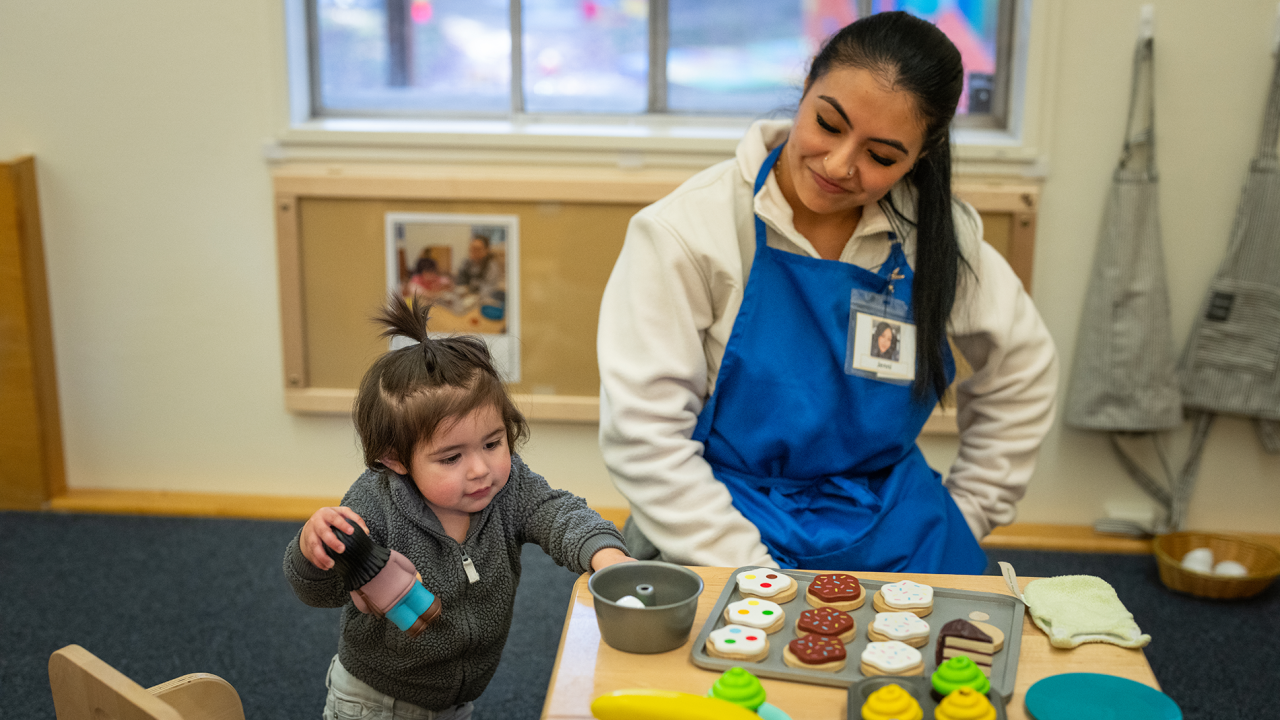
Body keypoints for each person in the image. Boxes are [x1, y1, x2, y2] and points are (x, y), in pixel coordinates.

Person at [597, 12, 1057, 574]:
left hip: (897, 521)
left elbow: (1023, 369)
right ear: (807, 84)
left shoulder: (937, 238)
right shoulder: (688, 232)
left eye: (881, 157)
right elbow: (646, 436)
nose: (840, 165)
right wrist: (750, 571)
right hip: (724, 523)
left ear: (921, 157)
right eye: (828, 124)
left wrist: (973, 507)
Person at [284, 296, 632, 719]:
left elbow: (557, 512)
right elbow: (321, 592)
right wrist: (310, 551)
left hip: (456, 700)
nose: (481, 470)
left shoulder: (511, 486)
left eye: (493, 443)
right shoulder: (373, 506)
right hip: (374, 700)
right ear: (395, 458)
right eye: (451, 458)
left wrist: (606, 554)